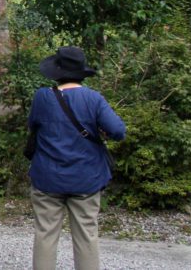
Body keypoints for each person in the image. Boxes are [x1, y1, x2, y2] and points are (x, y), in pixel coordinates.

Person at [28, 46, 126, 270]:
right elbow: (118, 131)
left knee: (45, 233)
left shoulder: (42, 97)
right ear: (81, 73)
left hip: (47, 178)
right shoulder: (93, 99)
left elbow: (32, 125)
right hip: (86, 177)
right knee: (86, 235)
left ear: (57, 72)